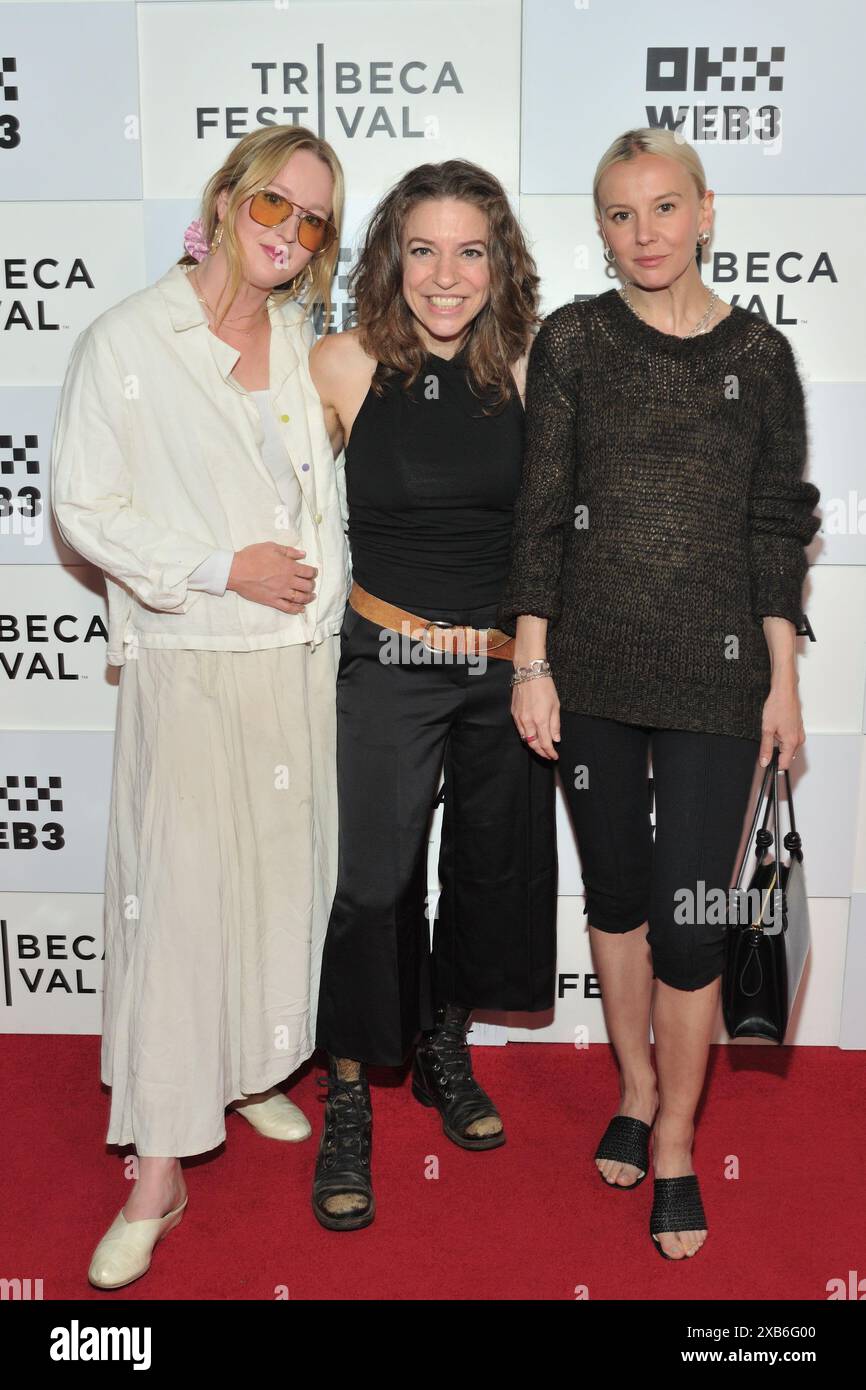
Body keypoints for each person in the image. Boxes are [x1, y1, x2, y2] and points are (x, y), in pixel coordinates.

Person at [496, 127, 821, 1261]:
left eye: (664, 209)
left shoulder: (762, 357)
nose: (645, 234)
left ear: (705, 210)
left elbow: (774, 526)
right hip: (588, 668)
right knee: (619, 896)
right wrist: (530, 660)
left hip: (721, 679)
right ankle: (632, 1085)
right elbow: (540, 512)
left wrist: (782, 681)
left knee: (693, 918)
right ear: (600, 228)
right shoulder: (573, 341)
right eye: (621, 216)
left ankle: (677, 1137)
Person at [50, 125, 349, 1288]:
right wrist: (222, 566)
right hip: (191, 657)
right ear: (226, 198)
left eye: (314, 217)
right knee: (179, 914)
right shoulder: (131, 336)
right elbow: (85, 505)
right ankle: (159, 1174)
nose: (288, 229)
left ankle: (253, 1072)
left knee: (280, 890)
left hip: (297, 664)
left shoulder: (298, 335)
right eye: (273, 201)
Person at [307, 159, 558, 1230]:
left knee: (490, 870)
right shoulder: (340, 362)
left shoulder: (533, 366)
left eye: (469, 250)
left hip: (503, 664)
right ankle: (352, 1092)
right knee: (372, 884)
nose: (445, 276)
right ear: (388, 258)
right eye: (422, 249)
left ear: (497, 260)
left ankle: (445, 1043)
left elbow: (551, 526)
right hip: (390, 657)